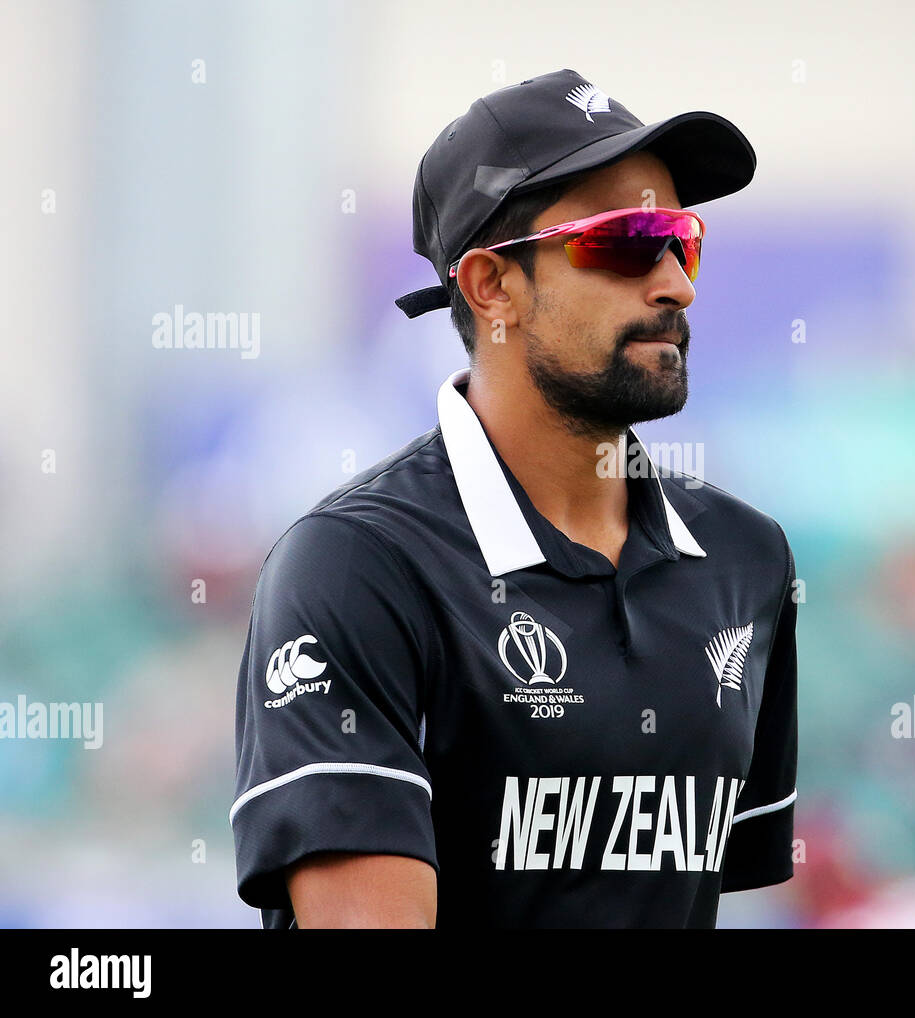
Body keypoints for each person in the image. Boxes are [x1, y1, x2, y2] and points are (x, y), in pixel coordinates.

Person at [231, 68, 798, 928]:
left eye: (680, 239)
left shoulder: (747, 559)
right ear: (492, 286)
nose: (676, 285)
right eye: (624, 242)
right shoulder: (357, 568)